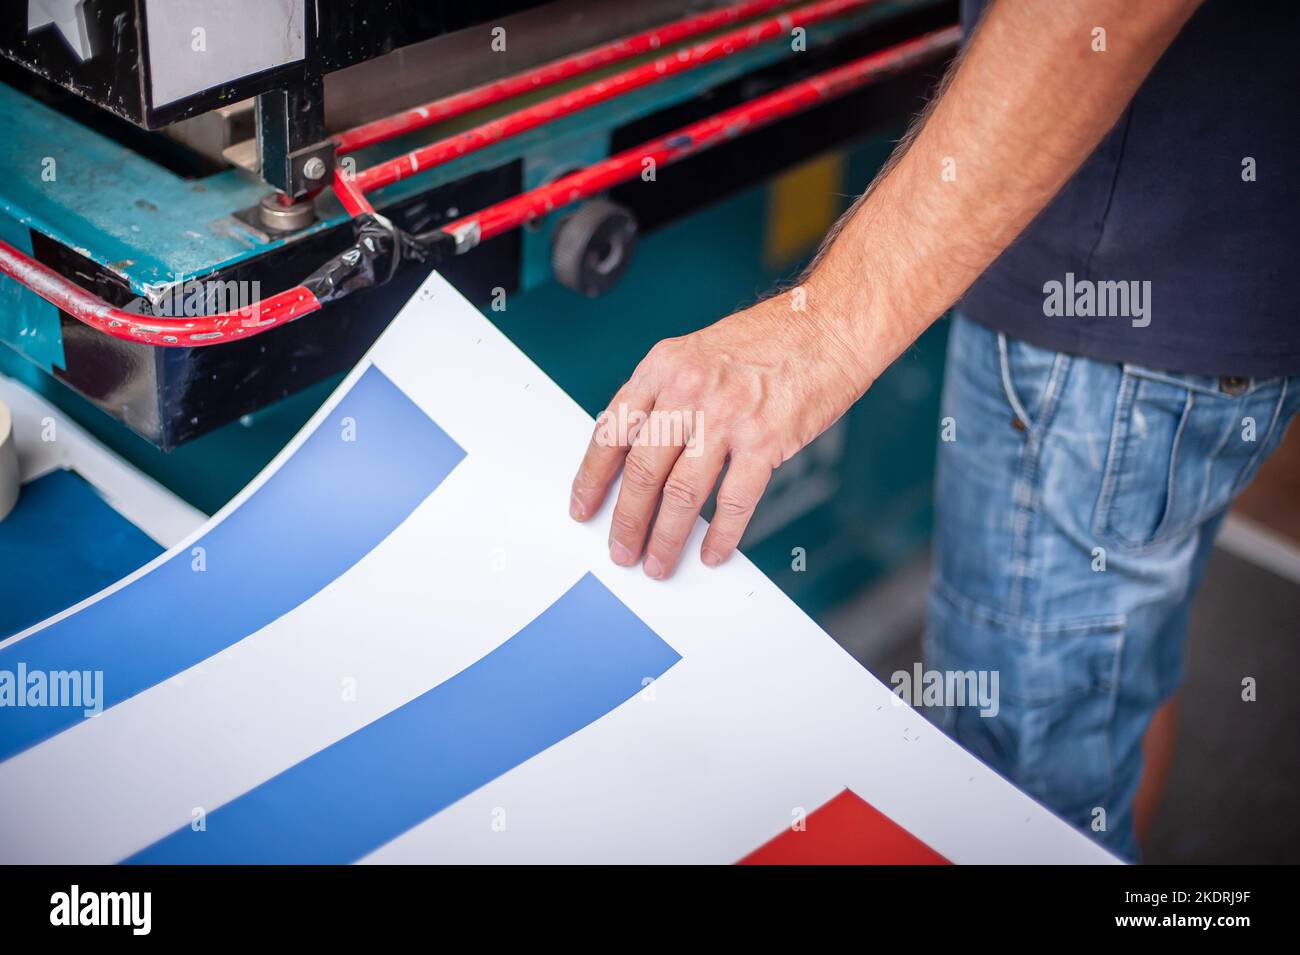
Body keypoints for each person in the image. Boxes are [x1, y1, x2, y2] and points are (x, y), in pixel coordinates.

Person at [568, 0, 1300, 860]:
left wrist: (827, 327)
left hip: (1094, 331)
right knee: (1114, 677)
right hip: (1219, 305)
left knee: (1013, 792)